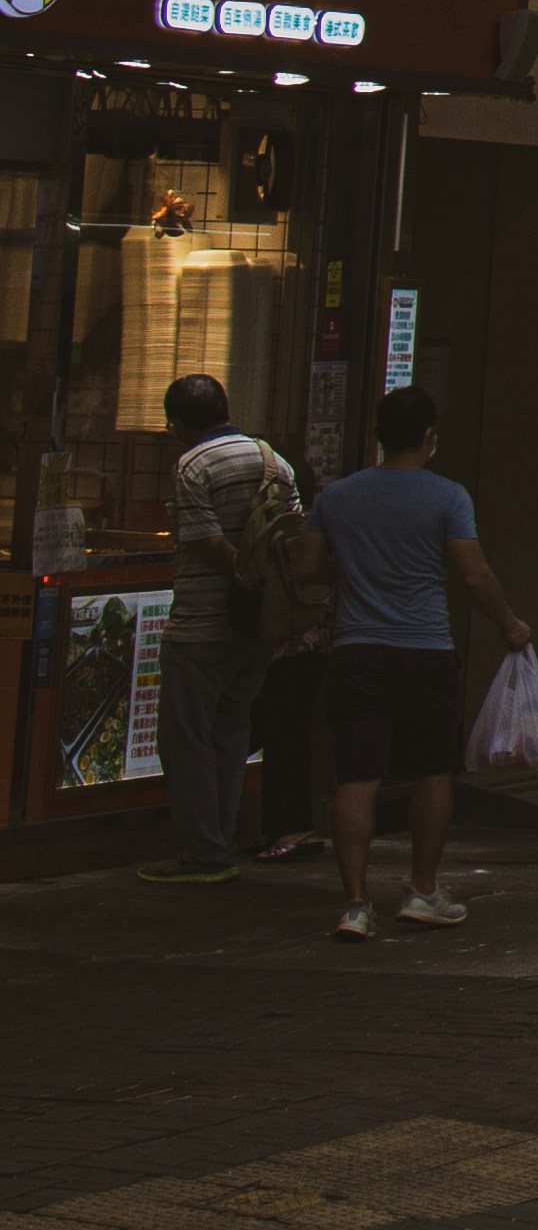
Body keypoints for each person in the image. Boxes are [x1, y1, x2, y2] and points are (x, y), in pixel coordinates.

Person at [311, 386, 535, 942]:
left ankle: (356, 903)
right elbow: (474, 575)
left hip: (356, 650)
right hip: (425, 651)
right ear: (431, 436)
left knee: (356, 775)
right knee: (433, 771)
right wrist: (509, 625)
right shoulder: (448, 496)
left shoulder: (336, 497)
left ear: (378, 436)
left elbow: (304, 567)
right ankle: (422, 889)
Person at [141, 373, 313, 885]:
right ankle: (220, 840)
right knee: (230, 731)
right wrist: (265, 586)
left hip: (202, 624)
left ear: (176, 425)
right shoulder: (271, 459)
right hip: (259, 626)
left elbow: (208, 542)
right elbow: (296, 533)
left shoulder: (193, 465)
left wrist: (245, 573)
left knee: (184, 738)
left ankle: (203, 852)